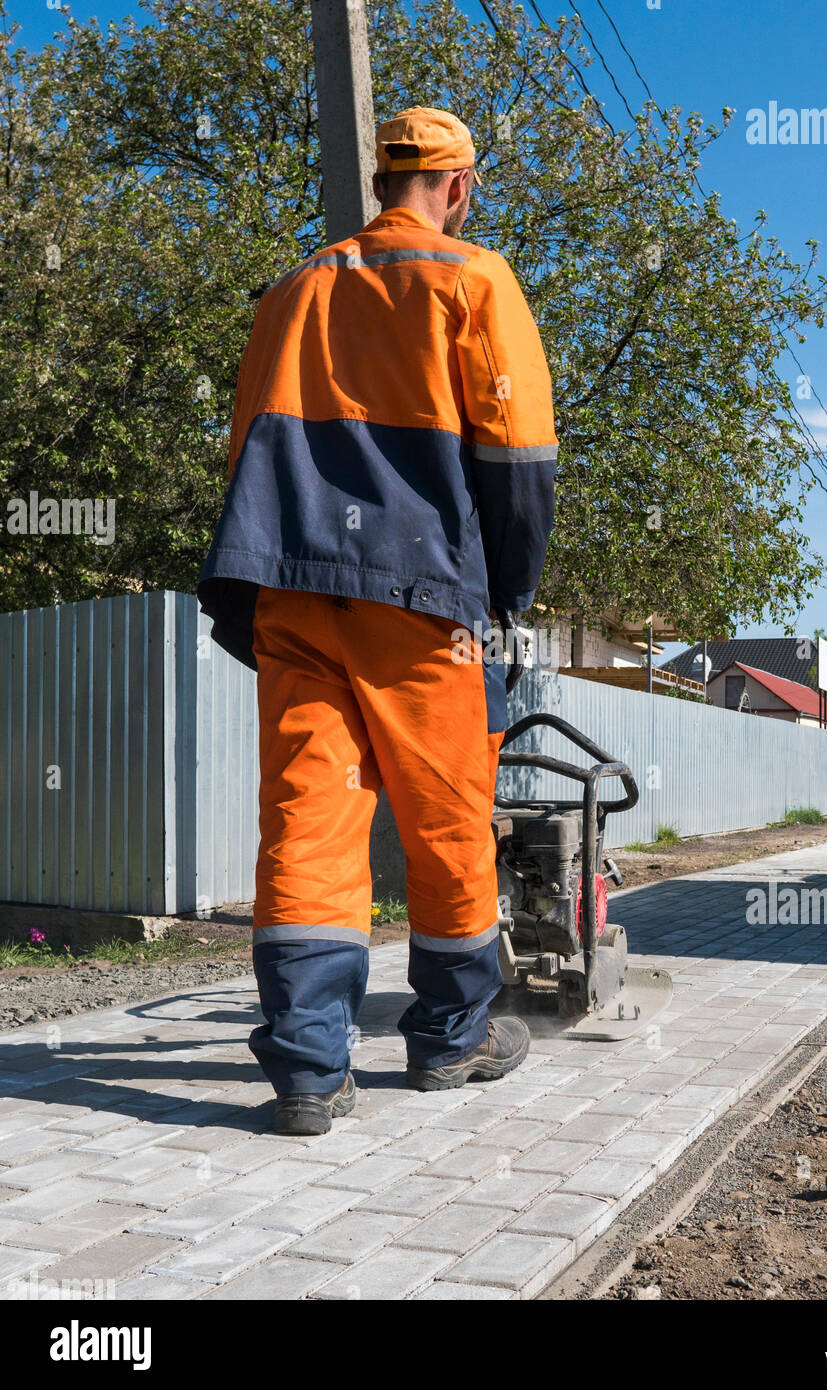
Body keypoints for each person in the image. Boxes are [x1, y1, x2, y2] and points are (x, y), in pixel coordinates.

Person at [197, 107, 557, 1135]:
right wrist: (505, 590)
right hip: (419, 590)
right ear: (457, 187)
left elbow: (245, 454)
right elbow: (519, 460)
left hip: (292, 588)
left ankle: (310, 1070)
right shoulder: (472, 279)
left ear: (381, 181)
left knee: (307, 815)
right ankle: (452, 1038)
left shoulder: (292, 292)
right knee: (446, 815)